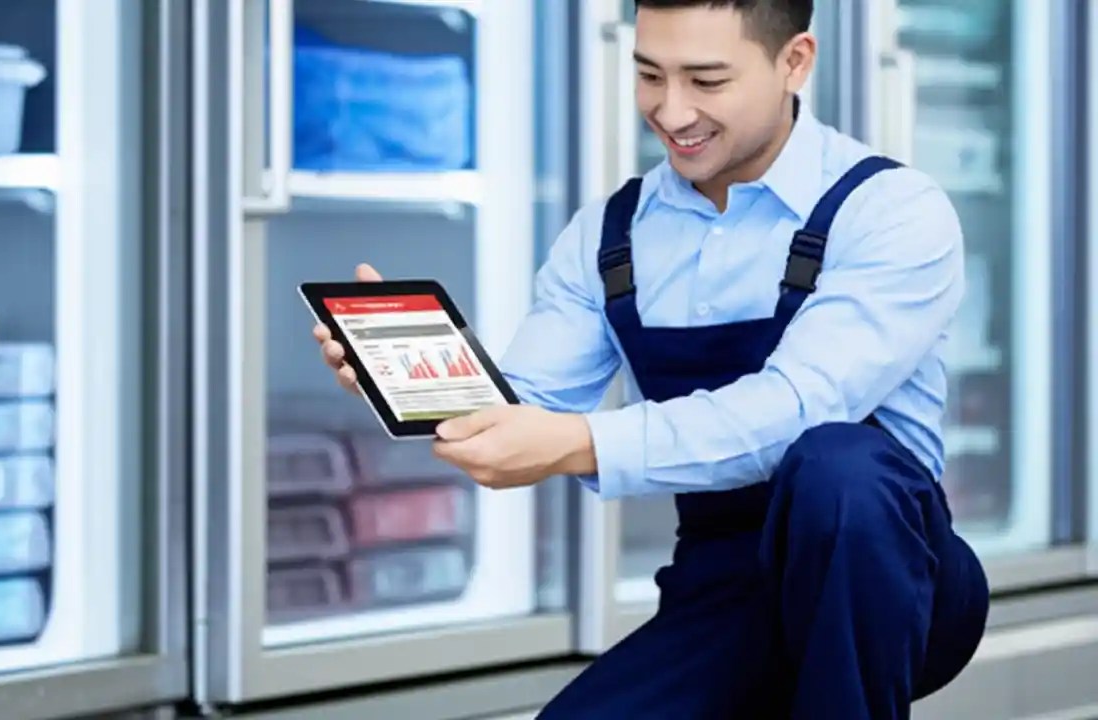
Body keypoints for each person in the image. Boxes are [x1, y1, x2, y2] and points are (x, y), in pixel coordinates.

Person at [312, 0, 989, 717]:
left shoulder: (890, 211)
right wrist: (418, 380)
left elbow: (796, 410)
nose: (671, 111)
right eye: (649, 75)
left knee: (838, 464)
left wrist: (580, 443)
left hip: (892, 577)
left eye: (706, 80)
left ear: (794, 62)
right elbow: (529, 408)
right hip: (725, 589)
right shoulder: (610, 234)